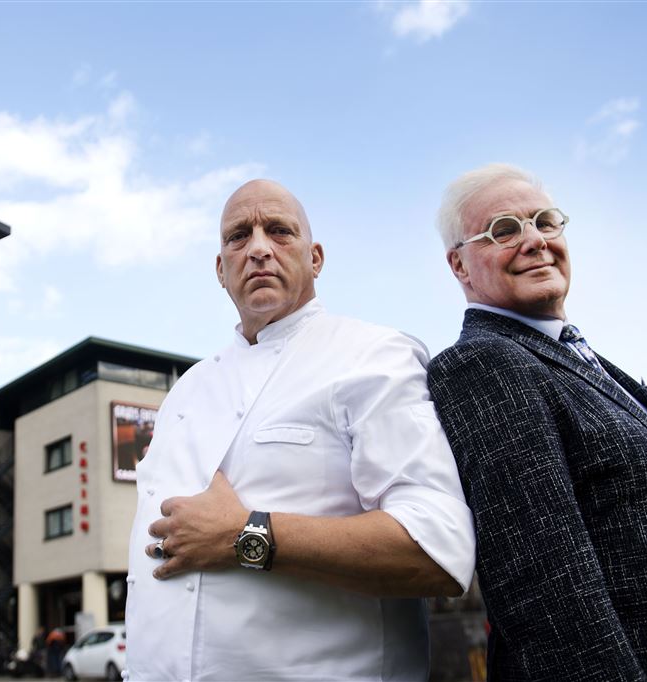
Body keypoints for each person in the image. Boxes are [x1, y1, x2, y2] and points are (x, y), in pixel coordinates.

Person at [124, 179, 476, 681]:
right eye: (239, 236)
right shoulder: (188, 388)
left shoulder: (372, 356)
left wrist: (244, 535)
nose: (259, 248)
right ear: (220, 270)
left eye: (279, 231)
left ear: (315, 258)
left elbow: (437, 551)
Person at [427, 164, 647, 680]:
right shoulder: (483, 365)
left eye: (545, 222)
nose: (534, 241)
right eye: (504, 230)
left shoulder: (585, 361)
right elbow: (545, 588)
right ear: (459, 266)